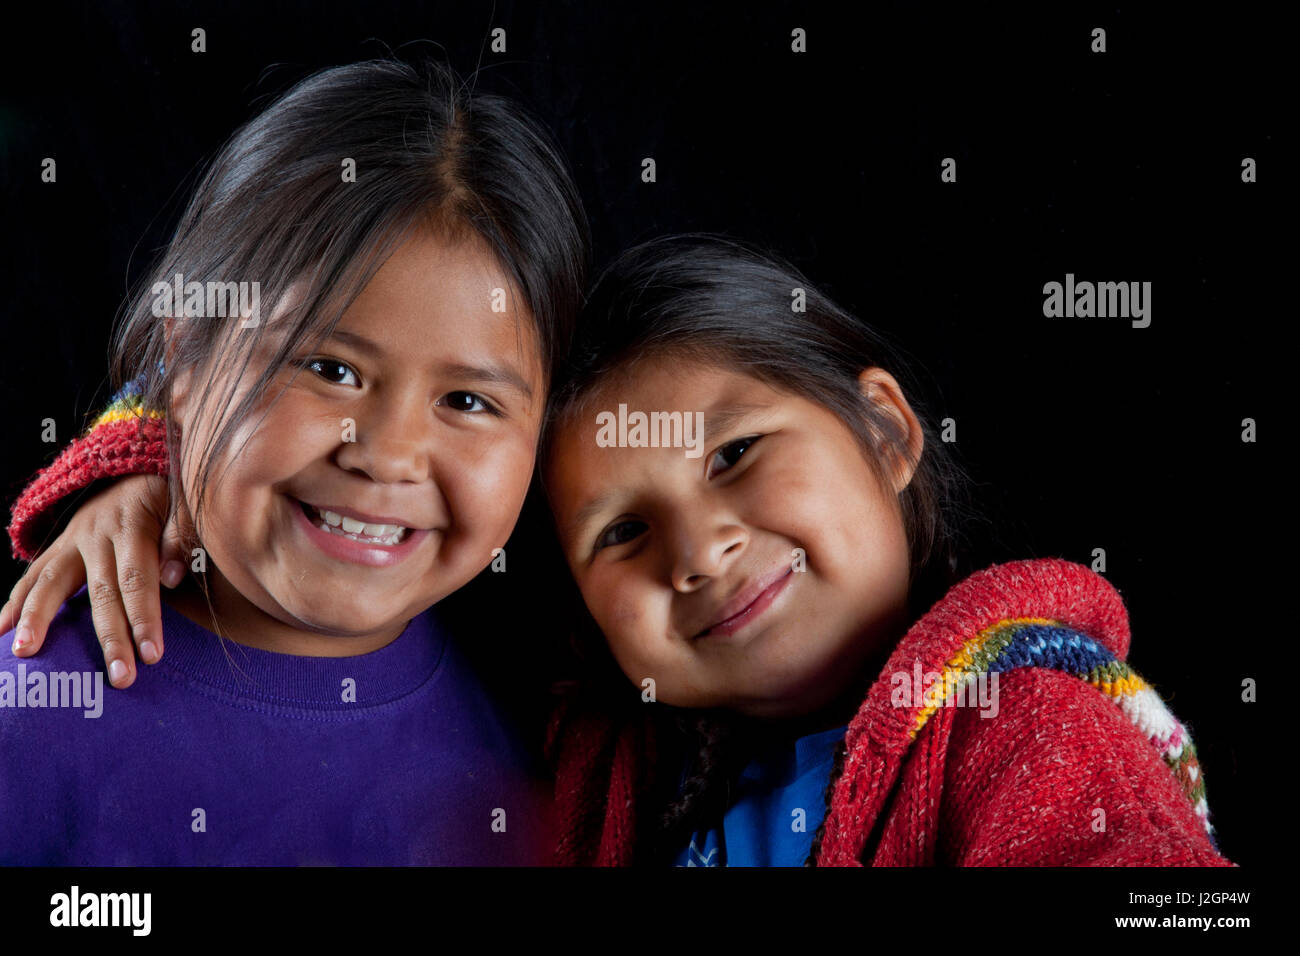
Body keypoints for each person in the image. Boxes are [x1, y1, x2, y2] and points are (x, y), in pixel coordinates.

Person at [0, 56, 588, 865]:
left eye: (468, 402)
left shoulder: (550, 715)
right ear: (185, 361)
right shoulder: (32, 702)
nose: (387, 456)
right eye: (330, 370)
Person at [539, 235, 1232, 866]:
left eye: (735, 454)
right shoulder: (620, 784)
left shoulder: (1034, 730)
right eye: (623, 532)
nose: (700, 554)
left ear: (884, 434)